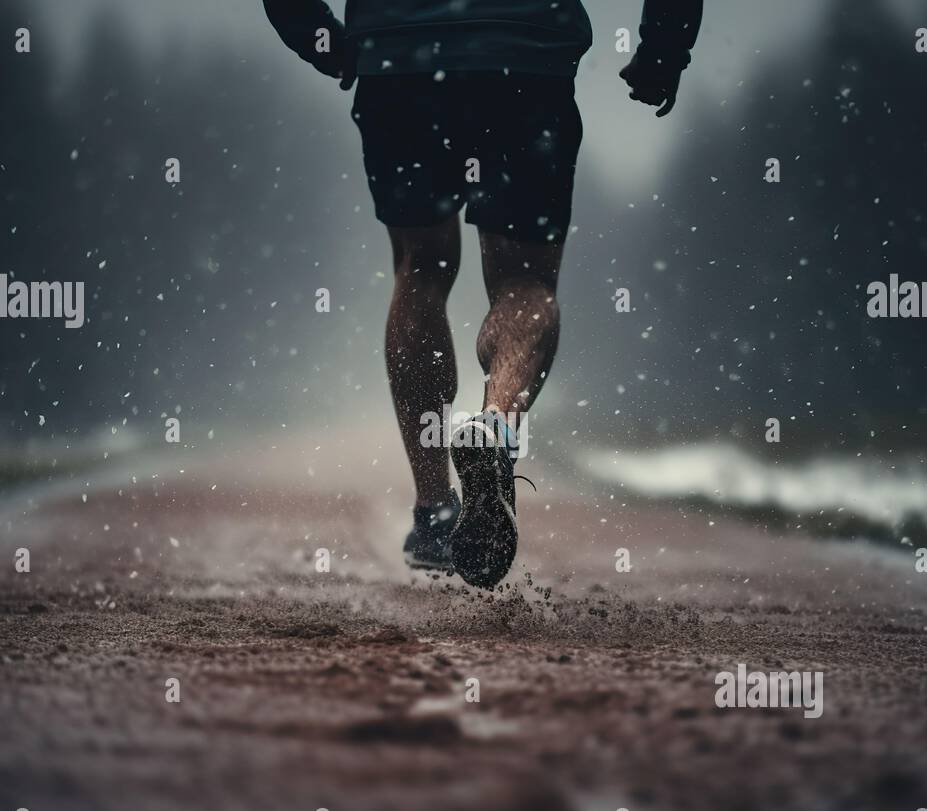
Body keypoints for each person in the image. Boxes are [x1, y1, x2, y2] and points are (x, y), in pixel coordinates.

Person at [264, 0, 704, 587]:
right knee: (526, 280)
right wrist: (663, 47)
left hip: (401, 62)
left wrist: (325, 41)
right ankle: (495, 425)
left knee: (419, 270)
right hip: (524, 59)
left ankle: (435, 510)